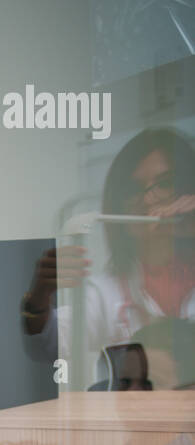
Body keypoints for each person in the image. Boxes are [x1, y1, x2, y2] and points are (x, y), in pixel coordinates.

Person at [21, 127, 195, 386]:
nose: (149, 201)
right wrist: (38, 297)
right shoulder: (106, 293)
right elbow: (48, 346)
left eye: (165, 183)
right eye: (135, 190)